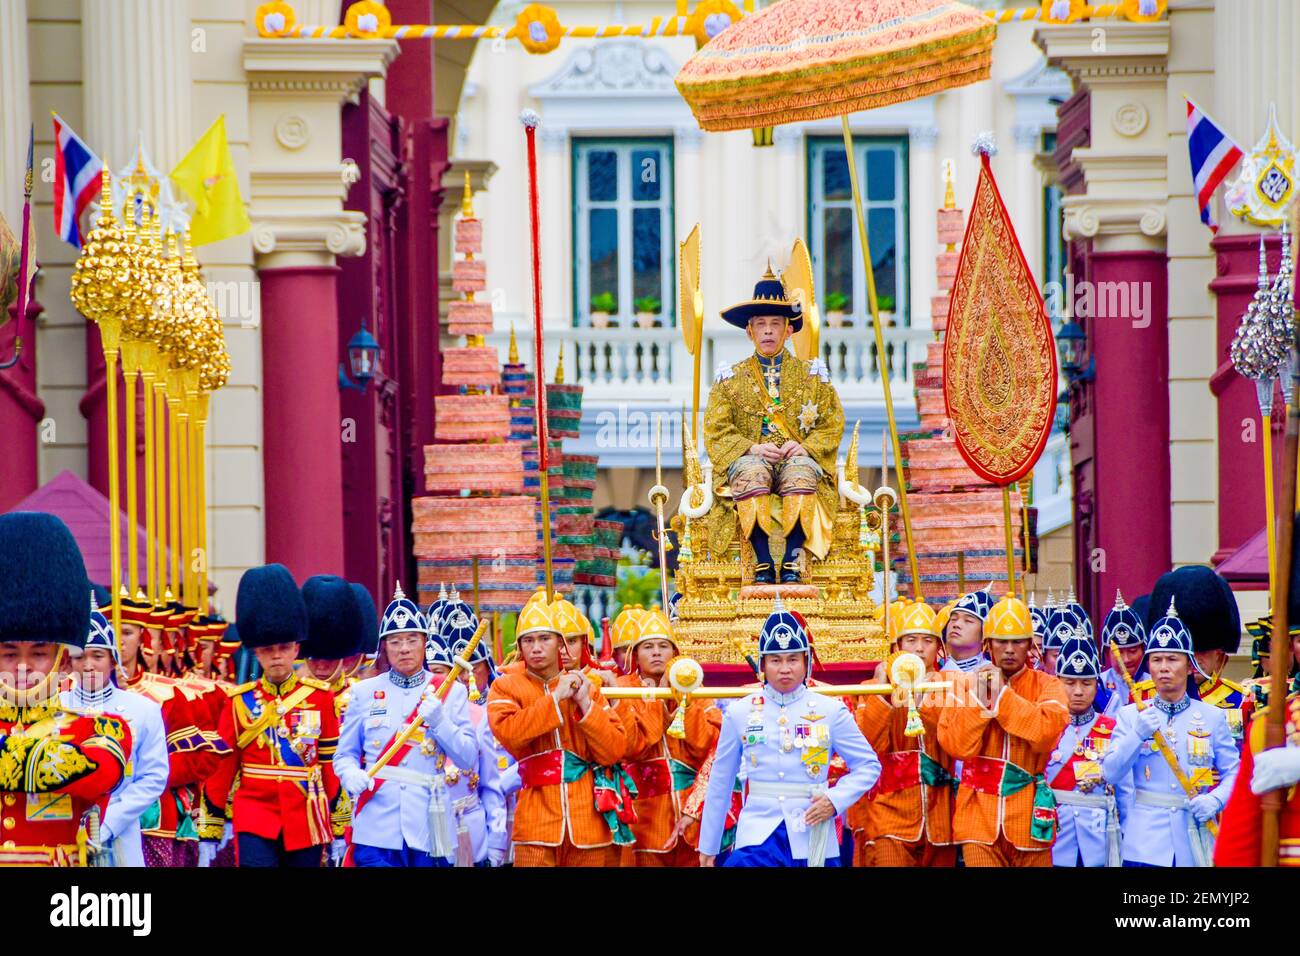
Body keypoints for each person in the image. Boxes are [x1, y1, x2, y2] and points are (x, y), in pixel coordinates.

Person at [698, 594, 880, 867]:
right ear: (762, 665)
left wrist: (834, 800)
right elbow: (720, 782)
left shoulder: (831, 709)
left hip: (812, 829)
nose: (785, 669)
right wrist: (708, 846)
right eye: (775, 660)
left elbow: (868, 766)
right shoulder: (740, 712)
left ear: (806, 661)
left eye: (793, 659)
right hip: (758, 835)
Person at [0, 512, 133, 867]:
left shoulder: (98, 728)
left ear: (62, 661)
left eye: (39, 653)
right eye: (10, 653)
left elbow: (100, 773)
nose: (23, 667)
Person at [703, 266, 844, 584]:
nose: (768, 331)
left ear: (788, 330)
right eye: (761, 324)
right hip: (751, 461)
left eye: (775, 324)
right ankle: (763, 561)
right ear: (749, 331)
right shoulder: (730, 380)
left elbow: (832, 423)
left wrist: (806, 446)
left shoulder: (812, 378)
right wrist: (751, 447)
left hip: (798, 459)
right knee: (751, 470)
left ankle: (794, 559)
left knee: (800, 470)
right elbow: (715, 429)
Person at [201, 564, 341, 867]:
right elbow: (223, 766)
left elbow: (329, 763)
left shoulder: (319, 697)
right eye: (267, 649)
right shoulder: (239, 701)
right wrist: (212, 823)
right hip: (254, 815)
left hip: (305, 816)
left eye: (284, 647)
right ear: (257, 652)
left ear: (296, 650)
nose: (276, 655)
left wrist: (339, 822)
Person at [332, 582, 478, 867]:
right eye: (395, 641)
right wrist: (349, 775)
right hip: (376, 825)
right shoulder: (364, 692)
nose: (404, 649)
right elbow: (344, 754)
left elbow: (468, 757)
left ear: (425, 642)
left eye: (412, 639)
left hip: (428, 822)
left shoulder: (450, 691)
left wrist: (440, 721)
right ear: (384, 647)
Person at [486, 588, 628, 866]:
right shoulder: (505, 686)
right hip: (536, 823)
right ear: (520, 647)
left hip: (589, 821)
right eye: (528, 640)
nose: (536, 647)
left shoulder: (588, 686)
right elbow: (511, 733)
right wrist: (554, 699)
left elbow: (614, 749)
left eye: (544, 639)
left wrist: (585, 703)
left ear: (559, 645)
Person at [1102, 599, 1239, 867]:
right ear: (1149, 666)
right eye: (1157, 659)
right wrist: (1137, 735)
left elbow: (1234, 772)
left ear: (1189, 666)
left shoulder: (1213, 717)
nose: (1164, 667)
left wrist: (1216, 799)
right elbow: (1110, 772)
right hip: (1145, 845)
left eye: (1172, 659)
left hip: (1194, 839)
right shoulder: (1130, 716)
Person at [937, 595, 1069, 867]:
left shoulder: (1049, 685)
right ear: (988, 645)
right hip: (977, 815)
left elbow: (1044, 734)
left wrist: (999, 696)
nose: (1009, 649)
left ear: (1030, 646)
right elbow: (957, 746)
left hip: (1029, 813)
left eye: (1017, 641)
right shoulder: (965, 684)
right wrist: (981, 695)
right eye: (1001, 641)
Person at [60, 593, 169, 868]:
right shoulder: (55, 709)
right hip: (62, 828)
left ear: (113, 660)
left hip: (119, 828)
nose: (88, 665)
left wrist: (110, 822)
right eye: (80, 657)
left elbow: (154, 776)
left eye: (97, 656)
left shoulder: (144, 710)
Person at [614, 607, 722, 866]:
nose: (656, 652)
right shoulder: (621, 688)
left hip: (691, 810)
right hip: (644, 815)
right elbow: (632, 747)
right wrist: (659, 699)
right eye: (647, 646)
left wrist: (683, 696)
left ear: (675, 653)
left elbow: (707, 745)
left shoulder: (695, 687)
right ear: (635, 654)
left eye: (663, 646)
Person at [854, 600, 955, 867]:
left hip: (941, 814)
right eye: (910, 640)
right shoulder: (872, 688)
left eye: (928, 641)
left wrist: (923, 693)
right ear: (896, 646)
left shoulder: (950, 685)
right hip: (889, 814)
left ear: (939, 647)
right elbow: (866, 747)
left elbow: (956, 741)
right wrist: (882, 693)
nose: (920, 649)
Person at [298, 575, 366, 866]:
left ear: (347, 657)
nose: (321, 665)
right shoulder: (294, 699)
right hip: (302, 810)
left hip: (355, 805)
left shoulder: (361, 697)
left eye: (328, 656)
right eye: (314, 657)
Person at [1046, 630, 1129, 867]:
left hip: (1098, 837)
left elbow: (1125, 791)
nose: (1078, 691)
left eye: (1087, 683)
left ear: (1097, 684)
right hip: (1054, 836)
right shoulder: (1045, 725)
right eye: (1069, 683)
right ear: (1057, 682)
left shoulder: (1114, 729)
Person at [1137, 567, 1247, 743]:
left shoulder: (1240, 700)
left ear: (1219, 656)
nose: (1193, 660)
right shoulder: (1141, 696)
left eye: (1202, 651)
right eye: (1183, 654)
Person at [449, 626, 513, 867]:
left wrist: (496, 840)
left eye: (474, 667)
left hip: (478, 819)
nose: (466, 676)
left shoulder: (489, 711)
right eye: (454, 671)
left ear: (487, 666)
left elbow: (491, 782)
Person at [1099, 589, 1146, 718]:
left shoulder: (1154, 683)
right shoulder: (1098, 685)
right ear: (1107, 653)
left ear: (1143, 650)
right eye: (1118, 653)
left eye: (1132, 651)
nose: (1125, 659)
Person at [941, 585, 992, 674]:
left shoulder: (989, 673)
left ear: (984, 633)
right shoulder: (934, 669)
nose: (956, 624)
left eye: (968, 621)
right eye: (953, 619)